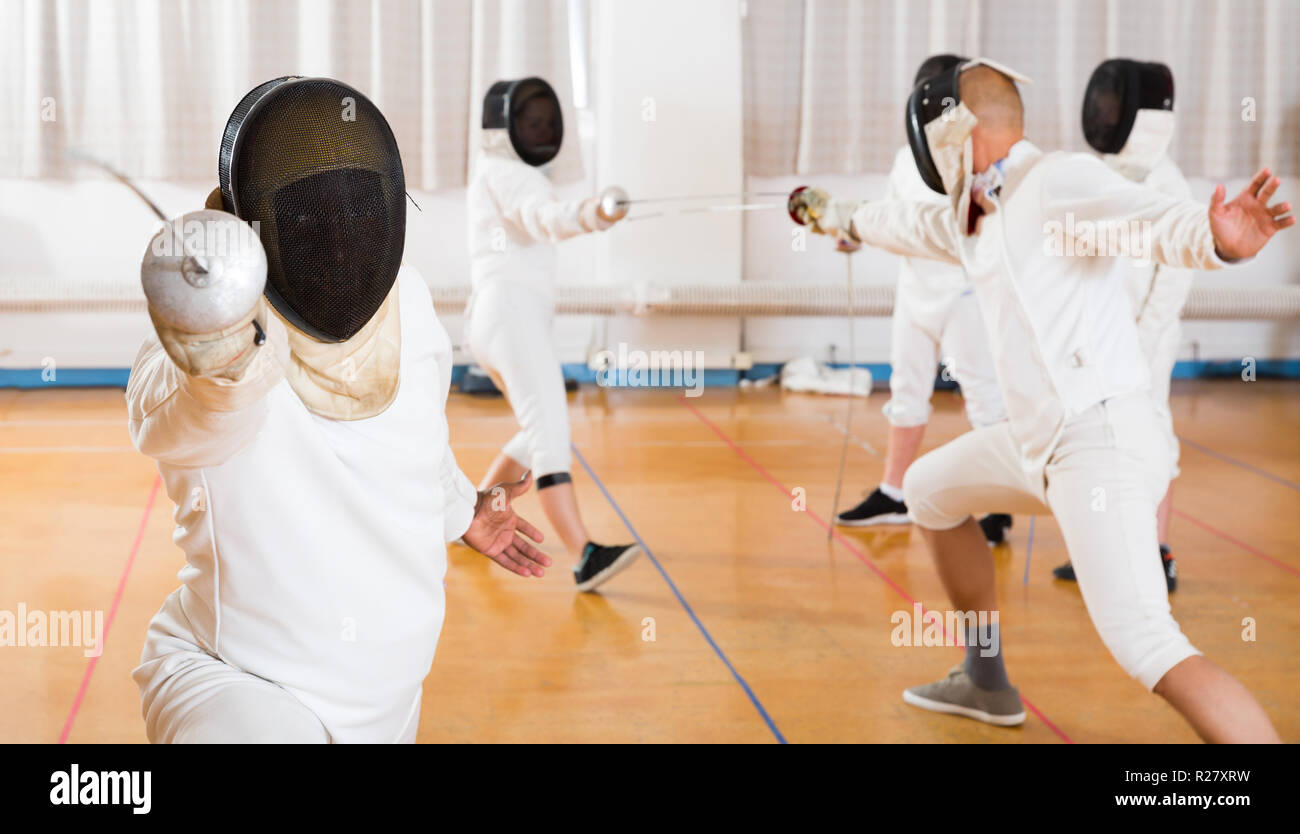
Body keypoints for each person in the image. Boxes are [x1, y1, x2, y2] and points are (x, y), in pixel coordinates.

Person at [792, 59, 1290, 742]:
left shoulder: (1059, 182)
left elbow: (1148, 223)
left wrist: (1215, 241)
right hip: (1038, 444)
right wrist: (833, 214)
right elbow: (906, 224)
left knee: (1149, 644)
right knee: (930, 491)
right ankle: (985, 679)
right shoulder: (976, 212)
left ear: (954, 133)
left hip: (1100, 442)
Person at [128, 77, 549, 743]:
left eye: (356, 208)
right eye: (310, 213)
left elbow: (422, 436)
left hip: (389, 704)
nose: (341, 234)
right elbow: (177, 420)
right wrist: (220, 356)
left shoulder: (405, 295)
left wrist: (464, 511)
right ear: (258, 216)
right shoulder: (211, 340)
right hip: (244, 688)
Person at [465, 77, 642, 592]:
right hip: (511, 315)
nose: (541, 130)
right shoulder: (513, 175)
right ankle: (584, 554)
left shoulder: (495, 171)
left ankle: (475, 512)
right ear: (506, 127)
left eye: (546, 122)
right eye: (531, 122)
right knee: (550, 436)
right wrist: (590, 214)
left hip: (497, 319)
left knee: (533, 428)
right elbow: (545, 219)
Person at [834, 54, 1012, 547]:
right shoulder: (903, 158)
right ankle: (895, 493)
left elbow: (971, 230)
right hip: (915, 290)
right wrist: (854, 232)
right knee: (906, 389)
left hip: (964, 292)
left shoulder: (981, 160)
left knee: (985, 397)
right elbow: (893, 218)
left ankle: (999, 505)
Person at [1055, 59, 1188, 591]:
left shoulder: (1169, 185)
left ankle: (1157, 554)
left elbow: (1173, 283)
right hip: (1099, 341)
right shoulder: (1102, 174)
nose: (1105, 114)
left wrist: (1142, 343)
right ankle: (1110, 554)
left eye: (1116, 106)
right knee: (1100, 441)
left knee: (1153, 435)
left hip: (1146, 341)